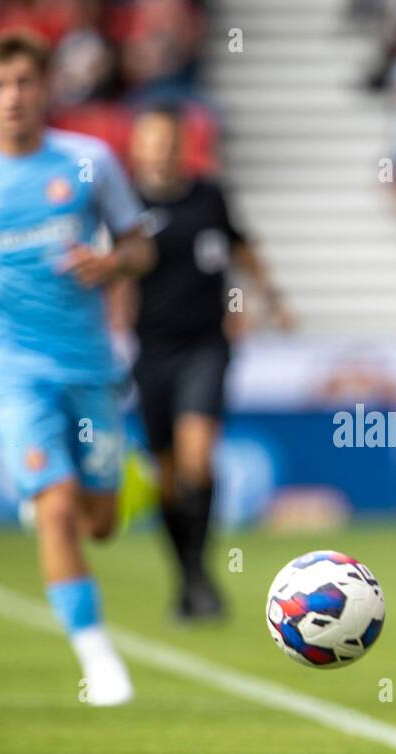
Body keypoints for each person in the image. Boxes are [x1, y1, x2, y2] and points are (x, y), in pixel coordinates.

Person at [0, 30, 154, 705]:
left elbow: (141, 247)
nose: (14, 96)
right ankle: (97, 658)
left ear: (45, 87)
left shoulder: (90, 163)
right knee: (56, 508)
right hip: (12, 368)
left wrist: (111, 263)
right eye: (0, 86)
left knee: (101, 520)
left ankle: (66, 498)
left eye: (25, 82)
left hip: (90, 365)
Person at [127, 104, 290, 620]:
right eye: (151, 142)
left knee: (197, 458)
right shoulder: (125, 205)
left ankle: (199, 578)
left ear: (182, 147)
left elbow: (242, 247)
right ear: (138, 148)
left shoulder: (209, 196)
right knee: (168, 476)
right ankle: (188, 577)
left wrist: (270, 299)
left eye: (169, 142)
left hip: (206, 346)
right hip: (150, 351)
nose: (161, 152)